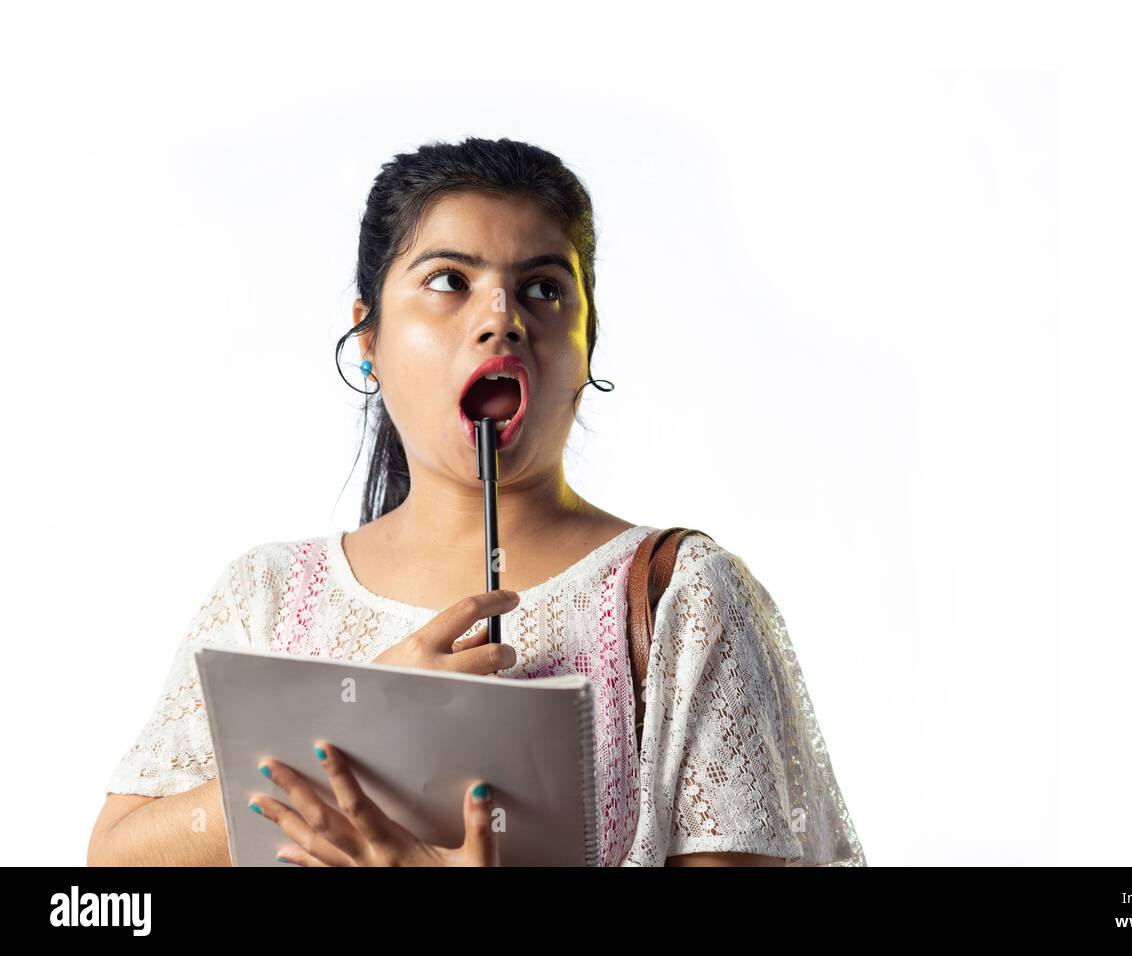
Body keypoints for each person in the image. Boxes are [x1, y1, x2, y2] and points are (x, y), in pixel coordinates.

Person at [87, 136, 865, 867]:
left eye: (542, 288)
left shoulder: (683, 600)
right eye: (449, 281)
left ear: (587, 344)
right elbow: (114, 861)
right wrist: (349, 730)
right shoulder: (266, 596)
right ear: (369, 339)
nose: (502, 318)